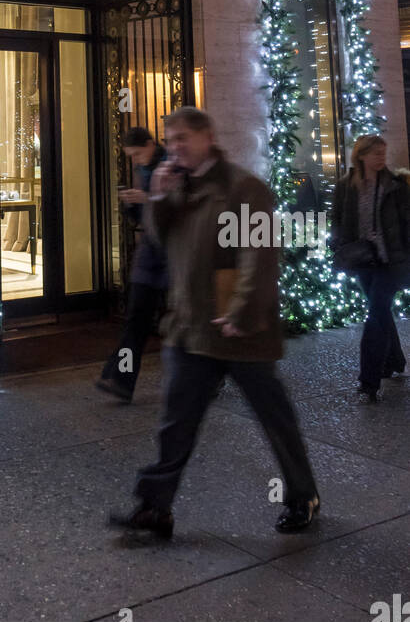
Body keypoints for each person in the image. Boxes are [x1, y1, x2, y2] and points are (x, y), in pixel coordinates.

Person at [109, 107, 319, 539]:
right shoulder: (180, 186)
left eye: (184, 137)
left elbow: (260, 256)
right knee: (176, 421)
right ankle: (155, 507)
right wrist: (160, 200)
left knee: (273, 417)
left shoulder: (243, 188)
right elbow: (163, 243)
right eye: (171, 139)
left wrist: (242, 312)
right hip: (191, 326)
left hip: (239, 330)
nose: (176, 146)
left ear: (208, 137)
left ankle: (302, 495)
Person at [331, 134, 410, 403]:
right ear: (361, 155)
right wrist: (340, 246)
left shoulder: (396, 186)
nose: (381, 158)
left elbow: (407, 223)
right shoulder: (346, 186)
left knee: (375, 314)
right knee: (381, 311)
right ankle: (395, 360)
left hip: (390, 261)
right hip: (363, 259)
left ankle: (369, 381)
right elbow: (338, 220)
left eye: (383, 153)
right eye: (376, 153)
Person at [97, 128, 166, 402]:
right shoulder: (143, 170)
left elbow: (181, 207)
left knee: (186, 323)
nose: (135, 161)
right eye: (131, 157)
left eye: (137, 154)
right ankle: (121, 379)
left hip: (173, 257)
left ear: (150, 144)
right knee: (136, 319)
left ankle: (212, 377)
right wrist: (131, 205)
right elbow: (142, 217)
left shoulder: (170, 166)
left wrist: (146, 200)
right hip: (150, 257)